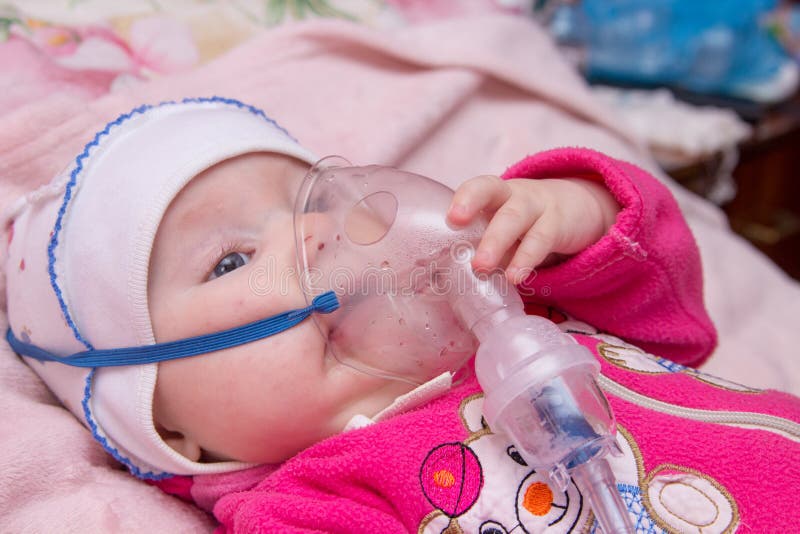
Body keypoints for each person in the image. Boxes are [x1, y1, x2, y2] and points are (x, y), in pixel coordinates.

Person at [4, 97, 799, 533]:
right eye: (232, 260)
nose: (315, 233)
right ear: (171, 431)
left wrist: (577, 213)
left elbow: (676, 329)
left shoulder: (522, 301)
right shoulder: (309, 507)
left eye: (310, 198)